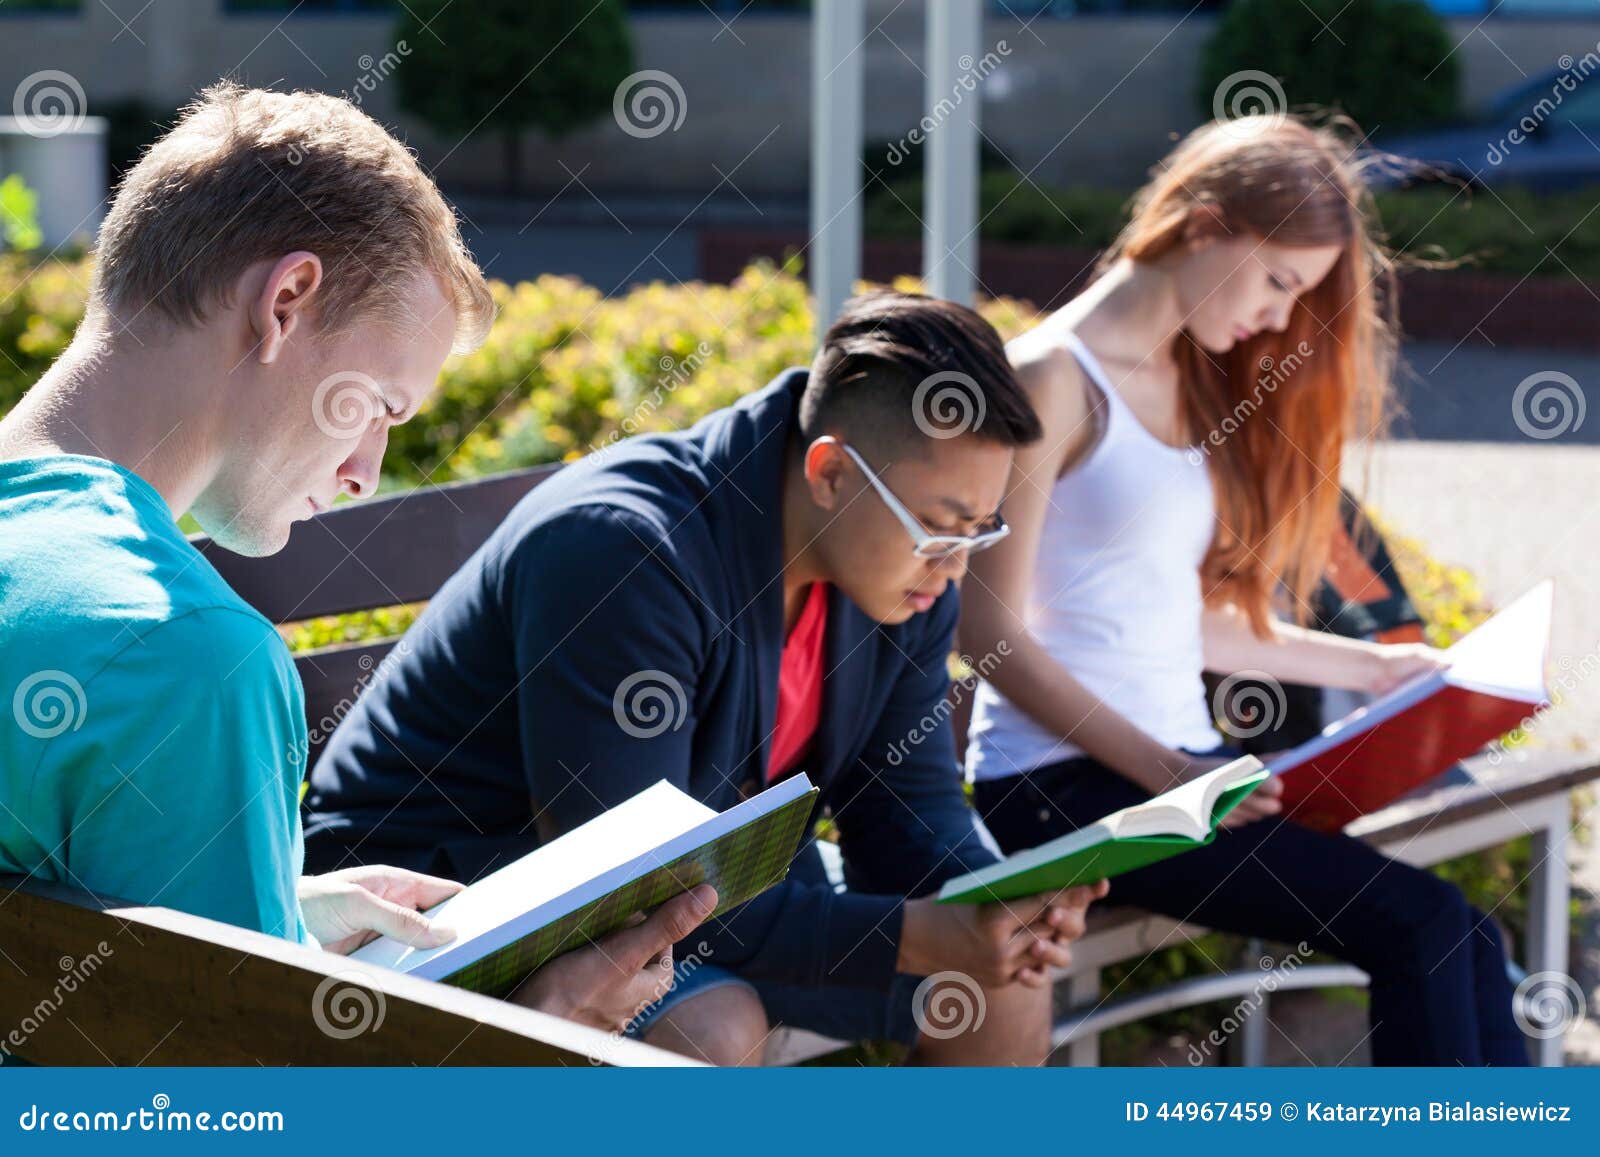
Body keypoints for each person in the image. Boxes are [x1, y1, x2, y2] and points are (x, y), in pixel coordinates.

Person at [0, 83, 712, 1048]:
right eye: (377, 403)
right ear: (285, 302)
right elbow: (248, 1111)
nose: (363, 474)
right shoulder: (186, 657)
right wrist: (528, 1035)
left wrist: (283, 914)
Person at [302, 290, 1109, 1066]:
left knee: (1000, 988)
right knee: (713, 1030)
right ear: (830, 472)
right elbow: (632, 880)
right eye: (937, 526)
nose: (957, 562)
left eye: (978, 528)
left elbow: (907, 810)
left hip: (691, 890)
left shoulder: (903, 581)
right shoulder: (626, 553)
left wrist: (998, 908)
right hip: (451, 890)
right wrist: (918, 935)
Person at [958, 114, 1527, 1066]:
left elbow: (1181, 617)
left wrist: (1389, 672)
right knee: (1422, 924)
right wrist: (1167, 774)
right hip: (1056, 788)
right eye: (1275, 281)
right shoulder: (1051, 377)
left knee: (1464, 937)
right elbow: (988, 628)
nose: (1274, 318)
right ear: (1205, 222)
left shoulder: (1186, 376)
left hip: (1179, 773)